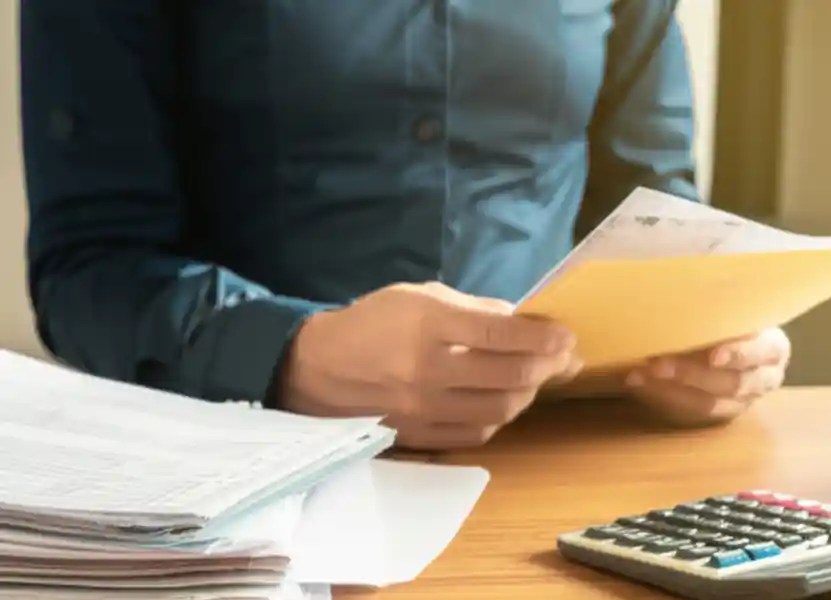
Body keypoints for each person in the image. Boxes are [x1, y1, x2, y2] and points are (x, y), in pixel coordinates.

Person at [20, 1, 791, 450]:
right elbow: (86, 267)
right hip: (248, 475)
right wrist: (293, 354)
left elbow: (659, 214)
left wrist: (714, 332)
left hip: (573, 462)